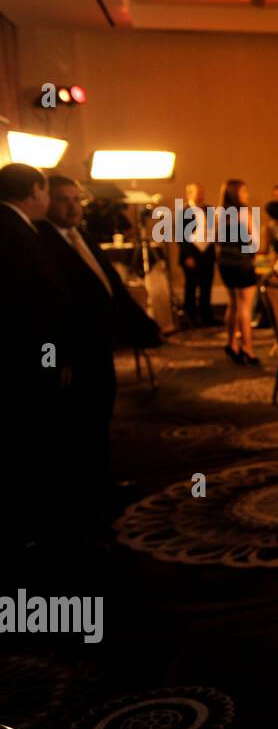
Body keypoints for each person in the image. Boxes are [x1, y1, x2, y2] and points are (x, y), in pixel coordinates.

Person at [38, 175, 159, 538]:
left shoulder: (82, 236)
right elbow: (50, 306)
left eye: (77, 200)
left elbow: (110, 287)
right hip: (76, 351)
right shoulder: (41, 244)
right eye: (63, 200)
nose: (73, 207)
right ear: (45, 202)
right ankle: (83, 501)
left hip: (99, 346)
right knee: (78, 423)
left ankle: (101, 484)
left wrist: (142, 326)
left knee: (99, 415)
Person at [0, 164, 68, 552]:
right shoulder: (14, 231)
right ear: (34, 190)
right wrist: (53, 359)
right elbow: (30, 305)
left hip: (28, 353)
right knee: (30, 434)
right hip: (27, 358)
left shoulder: (13, 226)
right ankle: (31, 528)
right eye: (46, 191)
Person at [215, 178, 261, 366]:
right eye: (244, 191)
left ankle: (231, 343)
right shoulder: (243, 213)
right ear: (236, 194)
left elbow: (215, 240)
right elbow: (255, 242)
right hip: (242, 262)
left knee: (232, 304)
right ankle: (248, 349)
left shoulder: (219, 214)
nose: (247, 195)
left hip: (225, 261)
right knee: (245, 307)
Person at [179, 182, 216, 326]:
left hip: (207, 254)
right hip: (191, 255)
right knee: (191, 286)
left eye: (202, 192)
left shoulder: (209, 209)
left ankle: (206, 316)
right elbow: (181, 235)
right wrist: (187, 256)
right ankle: (190, 316)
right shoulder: (183, 211)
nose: (200, 195)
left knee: (206, 287)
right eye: (197, 192)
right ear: (189, 194)